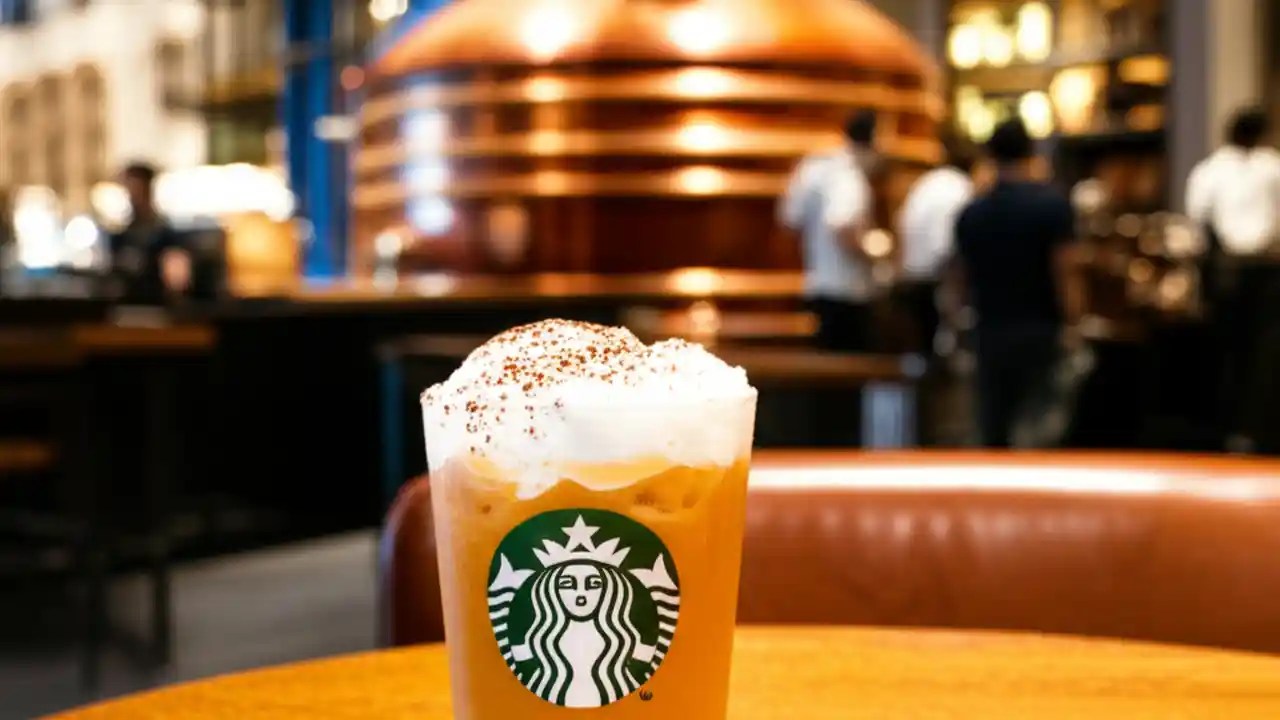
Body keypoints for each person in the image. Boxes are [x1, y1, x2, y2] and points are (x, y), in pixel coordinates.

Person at [952, 118, 1083, 448]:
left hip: (990, 331)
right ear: (1031, 152)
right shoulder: (1053, 206)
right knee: (1039, 429)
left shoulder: (972, 213)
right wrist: (1074, 324)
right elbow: (1066, 271)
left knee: (992, 431)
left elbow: (958, 279)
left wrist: (956, 327)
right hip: (1040, 331)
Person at [1185, 107, 1280, 452]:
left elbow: (1197, 226)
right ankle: (1242, 429)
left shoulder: (1222, 170)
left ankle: (1240, 428)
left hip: (1239, 271)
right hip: (1246, 270)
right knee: (1250, 353)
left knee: (1242, 352)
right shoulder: (1265, 167)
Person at [779, 110, 878, 352]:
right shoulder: (849, 175)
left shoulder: (813, 167)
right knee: (847, 374)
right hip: (848, 291)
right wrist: (872, 253)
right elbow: (842, 225)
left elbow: (789, 218)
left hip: (816, 285)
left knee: (824, 363)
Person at [895, 134, 976, 354]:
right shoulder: (960, 189)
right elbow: (947, 250)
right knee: (939, 356)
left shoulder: (927, 182)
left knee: (919, 356)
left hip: (911, 280)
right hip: (935, 284)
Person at [109, 162, 190, 304]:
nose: (132, 194)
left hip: (158, 308)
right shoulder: (122, 234)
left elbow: (177, 278)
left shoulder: (164, 234)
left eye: (136, 187)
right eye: (128, 188)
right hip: (126, 308)